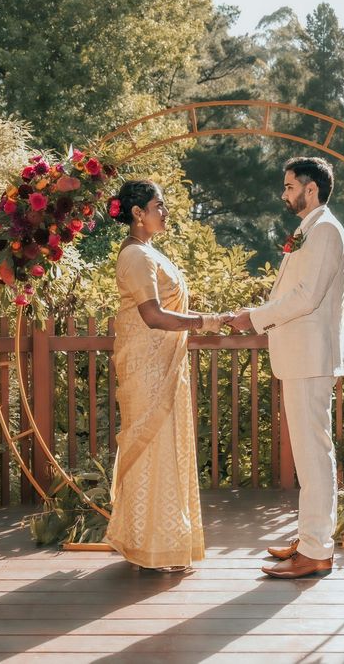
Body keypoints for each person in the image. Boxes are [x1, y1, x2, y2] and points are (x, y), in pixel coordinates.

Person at [228, 157, 344, 579]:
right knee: (310, 454)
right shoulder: (311, 229)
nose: (284, 194)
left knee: (315, 455)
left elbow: (307, 296)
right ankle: (312, 537)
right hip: (302, 356)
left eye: (289, 186)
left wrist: (255, 317)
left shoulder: (326, 231)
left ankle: (317, 550)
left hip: (310, 357)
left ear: (310, 188)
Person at [104, 179, 229, 573]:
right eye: (159, 205)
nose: (166, 211)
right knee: (151, 444)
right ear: (137, 213)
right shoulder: (137, 256)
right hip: (147, 363)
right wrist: (207, 321)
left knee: (165, 444)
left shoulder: (148, 252)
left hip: (162, 361)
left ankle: (161, 541)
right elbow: (152, 315)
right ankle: (148, 543)